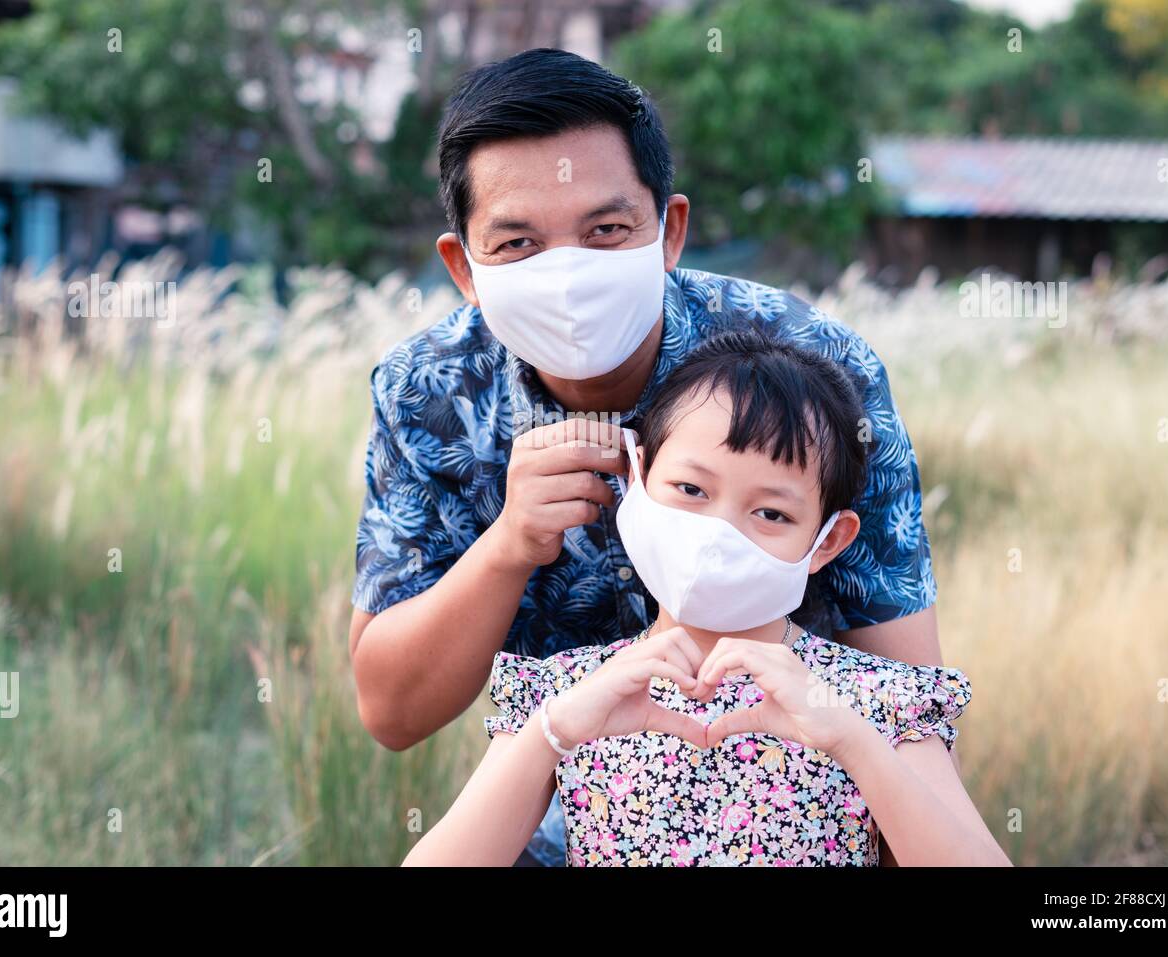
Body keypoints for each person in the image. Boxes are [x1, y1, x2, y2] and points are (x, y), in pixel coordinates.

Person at [351, 48, 950, 866]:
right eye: (518, 242)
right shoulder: (431, 393)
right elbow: (392, 710)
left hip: (799, 802)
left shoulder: (814, 371)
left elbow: (910, 701)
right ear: (463, 265)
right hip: (564, 807)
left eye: (606, 230)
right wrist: (509, 547)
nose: (567, 273)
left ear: (668, 230)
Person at [402, 330, 1009, 866]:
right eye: (691, 489)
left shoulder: (878, 703)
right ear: (636, 477)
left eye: (770, 512)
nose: (720, 533)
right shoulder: (570, 696)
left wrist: (854, 742)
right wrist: (549, 736)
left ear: (828, 541)